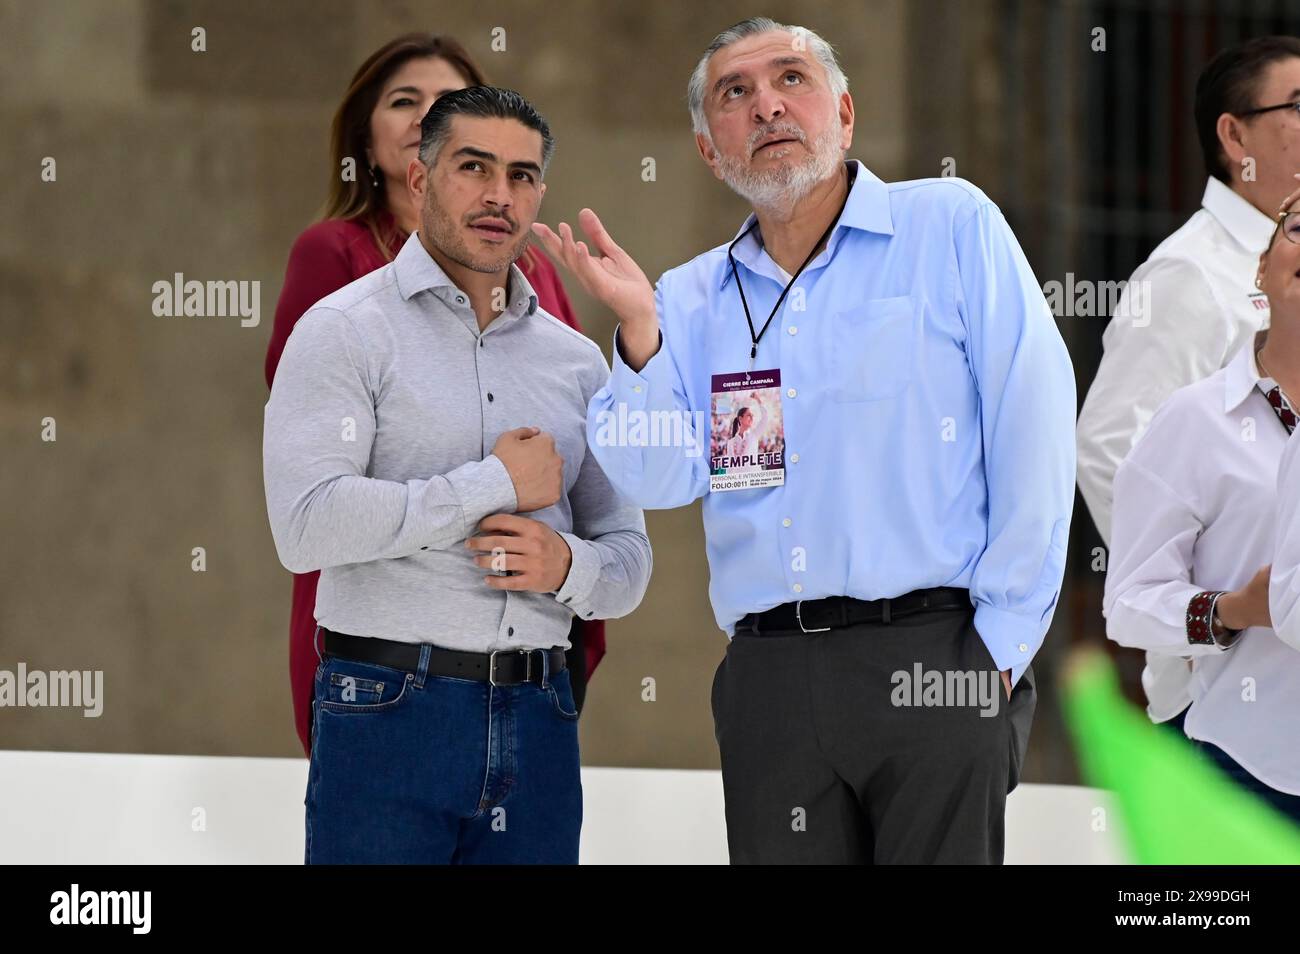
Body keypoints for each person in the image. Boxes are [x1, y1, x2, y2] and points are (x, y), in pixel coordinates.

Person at [535, 17, 1075, 864]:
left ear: (845, 114)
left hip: (936, 653)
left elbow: (1035, 425)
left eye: (792, 79)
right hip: (771, 676)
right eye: (735, 94)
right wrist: (639, 331)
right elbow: (657, 474)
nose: (767, 106)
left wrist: (999, 650)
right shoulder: (690, 297)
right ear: (711, 153)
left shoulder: (948, 226)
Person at [263, 86, 651, 863]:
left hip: (540, 717)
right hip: (386, 712)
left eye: (522, 175)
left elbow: (630, 563)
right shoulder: (344, 331)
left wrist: (567, 564)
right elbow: (305, 525)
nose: (499, 196)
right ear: (419, 179)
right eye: (474, 167)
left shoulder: (577, 363)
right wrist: (493, 484)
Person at [1077, 36, 1300, 731]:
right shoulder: (1190, 274)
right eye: (1297, 105)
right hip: (1228, 682)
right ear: (1235, 136)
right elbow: (1110, 448)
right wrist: (1207, 608)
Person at [1103, 183, 1300, 824]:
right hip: (1243, 772)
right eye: (1297, 228)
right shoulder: (1196, 421)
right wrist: (1234, 609)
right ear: (1260, 270)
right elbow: (1129, 603)